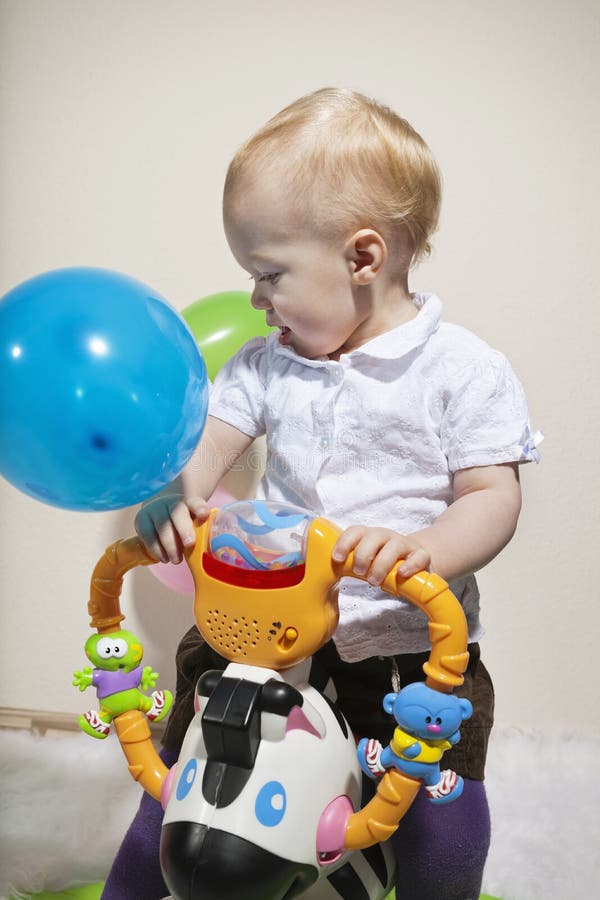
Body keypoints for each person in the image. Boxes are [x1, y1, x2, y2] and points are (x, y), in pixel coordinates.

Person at [103, 87, 540, 900]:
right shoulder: (266, 364)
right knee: (176, 787)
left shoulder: (463, 371)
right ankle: (133, 886)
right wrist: (176, 499)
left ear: (363, 259)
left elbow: (493, 497)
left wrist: (426, 551)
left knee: (439, 818)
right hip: (260, 636)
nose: (257, 301)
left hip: (405, 647)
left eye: (269, 275)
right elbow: (210, 445)